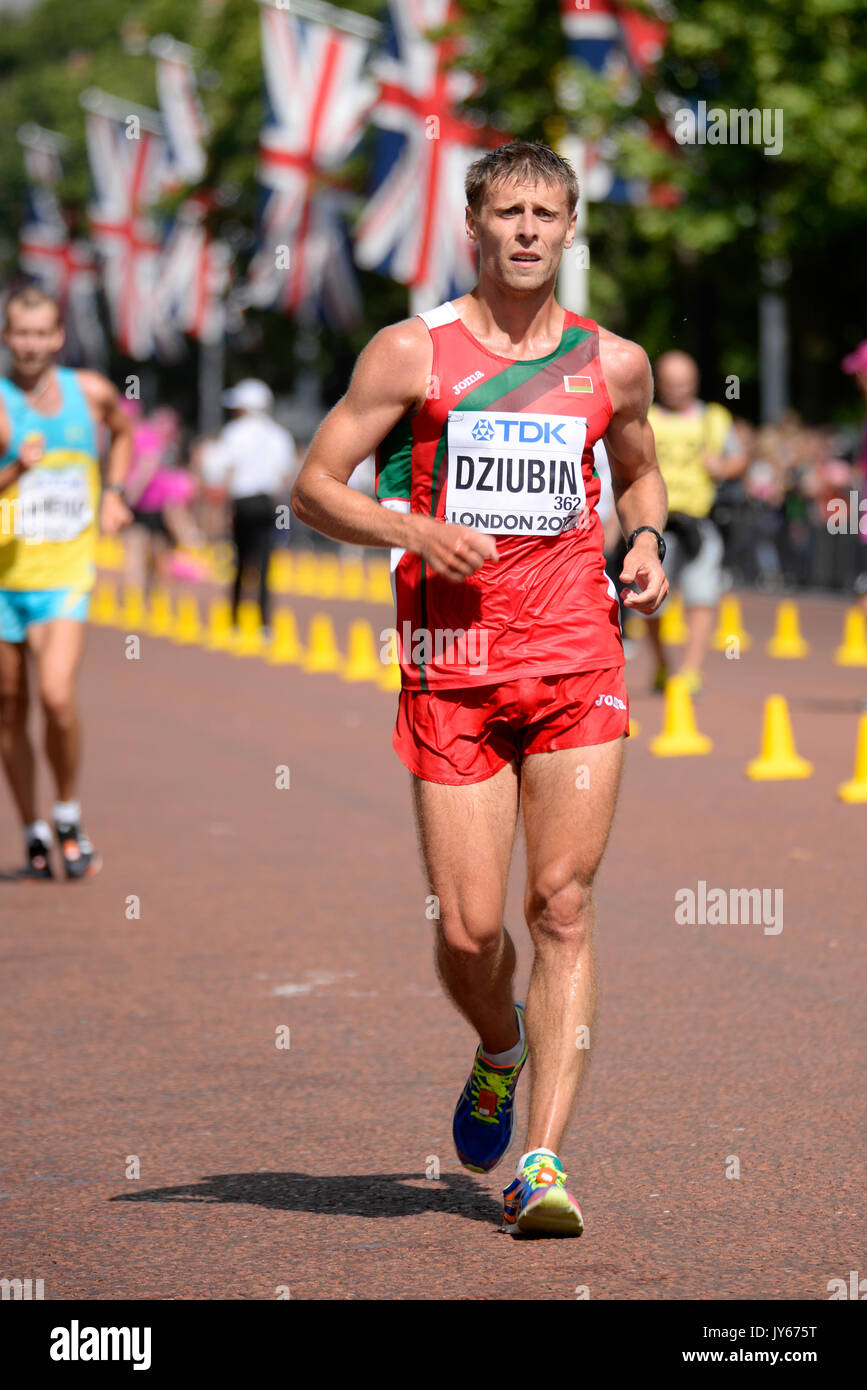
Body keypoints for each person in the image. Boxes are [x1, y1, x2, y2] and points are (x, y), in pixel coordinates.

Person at [292, 140, 668, 1237]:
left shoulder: (616, 363)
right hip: (451, 665)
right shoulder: (413, 353)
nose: (527, 230)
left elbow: (639, 469)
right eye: (509, 210)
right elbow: (315, 487)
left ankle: (540, 1163)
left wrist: (645, 540)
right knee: (467, 929)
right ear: (475, 223)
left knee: (561, 904)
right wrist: (409, 526)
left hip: (576, 658)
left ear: (570, 228)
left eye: (548, 213)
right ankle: (499, 1043)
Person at [0, 285, 132, 879]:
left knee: (55, 696)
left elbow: (125, 433)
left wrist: (115, 493)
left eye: (40, 333)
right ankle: (31, 829)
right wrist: (13, 470)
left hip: (64, 579)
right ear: (7, 337)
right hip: (4, 582)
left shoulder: (91, 392)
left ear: (58, 336)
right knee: (9, 707)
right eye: (19, 333)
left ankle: (68, 813)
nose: (29, 345)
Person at [645, 351, 746, 694]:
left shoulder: (714, 418)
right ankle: (662, 665)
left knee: (701, 598)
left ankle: (691, 671)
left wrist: (723, 468)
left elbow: (740, 458)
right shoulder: (647, 418)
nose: (678, 389)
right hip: (657, 525)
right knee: (651, 604)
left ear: (695, 382)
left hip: (700, 524)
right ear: (660, 383)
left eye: (684, 383)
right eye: (672, 383)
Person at [202, 379, 296, 634]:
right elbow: (286, 473)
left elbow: (223, 470)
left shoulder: (234, 432)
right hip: (267, 503)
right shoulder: (279, 434)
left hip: (242, 503)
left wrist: (223, 509)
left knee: (240, 562)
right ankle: (264, 623)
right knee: (265, 563)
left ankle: (234, 621)